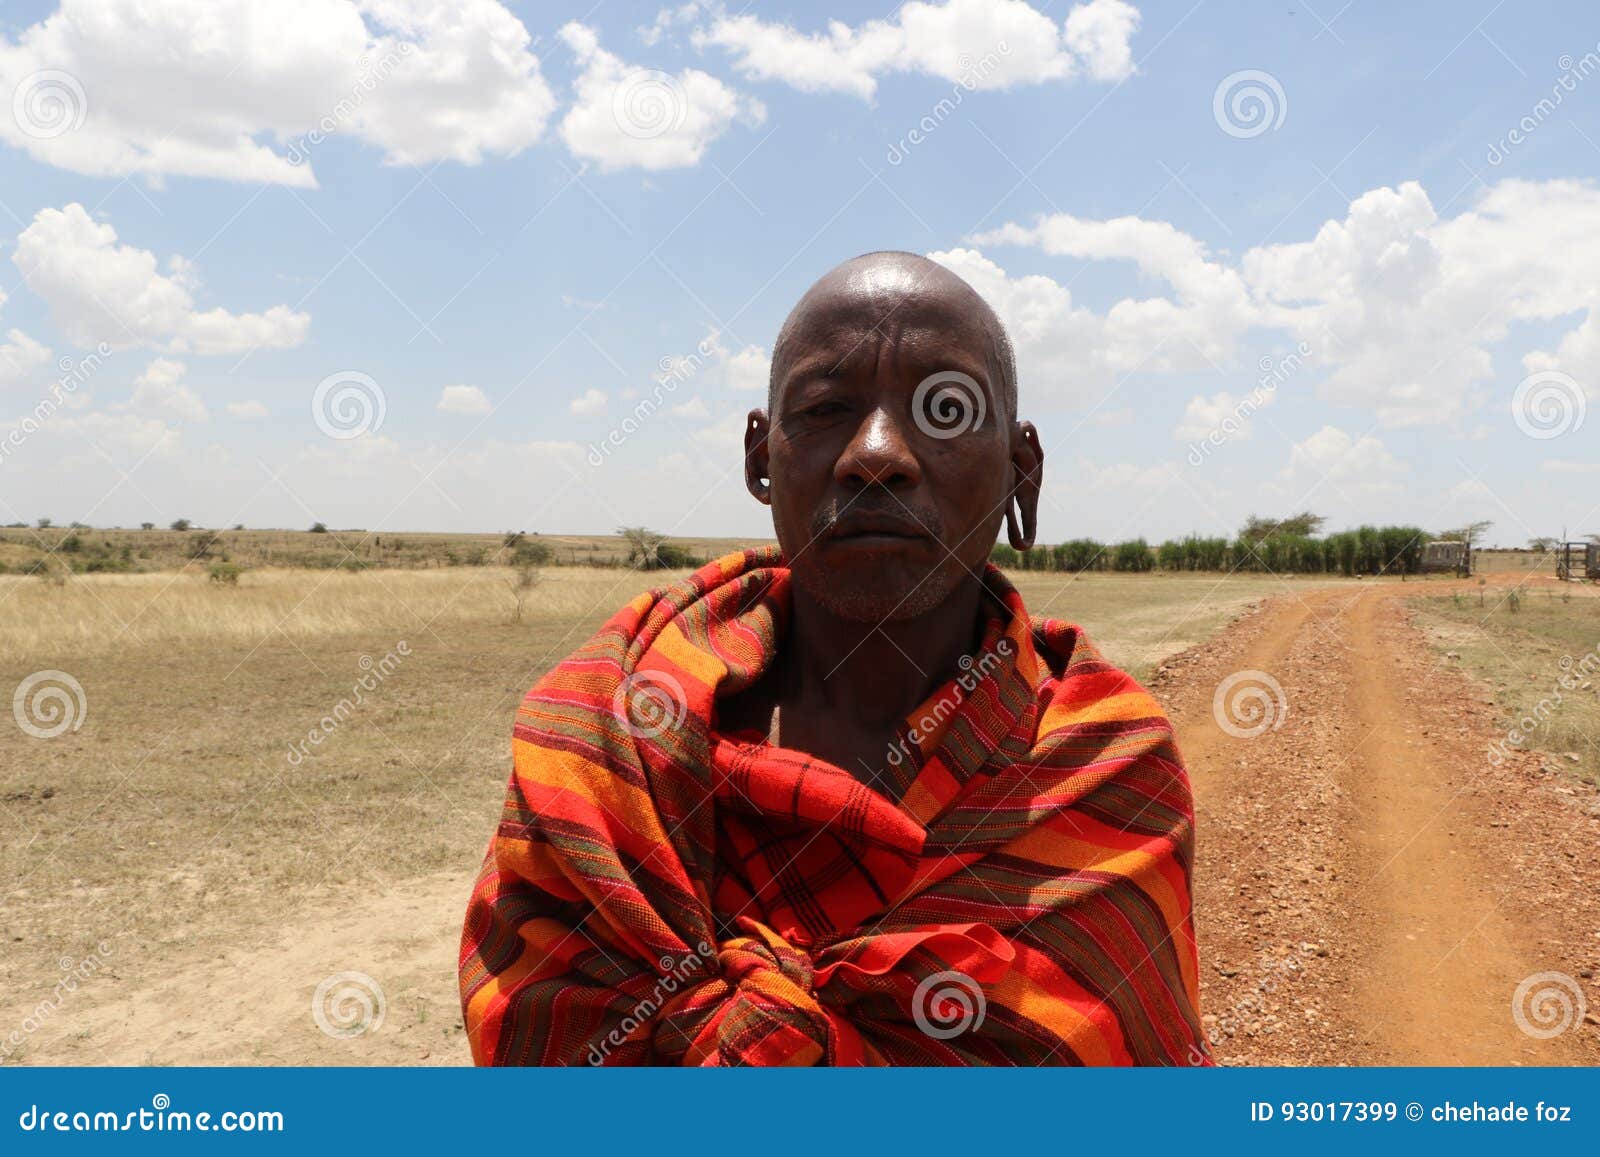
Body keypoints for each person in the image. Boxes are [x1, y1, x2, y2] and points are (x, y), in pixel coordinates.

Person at [459, 252, 1206, 1066]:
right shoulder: (610, 737)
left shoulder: (1105, 765)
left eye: (946, 409)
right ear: (760, 458)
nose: (877, 453)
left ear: (1020, 471)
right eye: (824, 407)